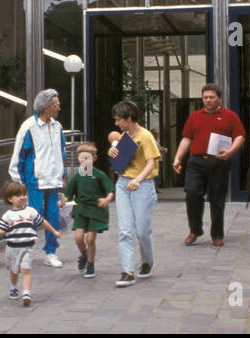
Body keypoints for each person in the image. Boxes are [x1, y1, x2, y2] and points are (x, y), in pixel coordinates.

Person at [172, 83, 245, 246]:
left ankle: (217, 233)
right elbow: (186, 138)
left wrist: (231, 151)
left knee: (217, 199)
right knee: (192, 193)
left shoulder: (230, 116)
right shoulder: (194, 116)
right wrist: (178, 158)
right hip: (196, 161)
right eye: (205, 97)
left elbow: (240, 136)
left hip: (219, 161)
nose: (208, 100)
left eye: (212, 97)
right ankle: (195, 230)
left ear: (219, 98)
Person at [9, 89, 66, 267]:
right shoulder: (29, 127)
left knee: (53, 217)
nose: (59, 108)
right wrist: (18, 181)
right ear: (45, 108)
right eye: (56, 105)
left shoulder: (58, 127)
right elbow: (18, 155)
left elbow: (61, 152)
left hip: (53, 181)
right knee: (32, 218)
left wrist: (62, 175)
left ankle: (51, 252)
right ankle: (25, 252)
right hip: (34, 181)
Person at [107, 99, 161, 287]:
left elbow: (151, 163)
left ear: (129, 118)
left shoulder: (145, 136)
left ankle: (147, 261)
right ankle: (127, 271)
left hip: (142, 185)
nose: (116, 123)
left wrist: (138, 180)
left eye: (119, 120)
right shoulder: (125, 135)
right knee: (124, 229)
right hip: (122, 183)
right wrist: (112, 152)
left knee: (143, 230)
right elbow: (117, 151)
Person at [0, 181, 61, 307]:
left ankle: (26, 293)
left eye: (24, 194)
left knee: (26, 269)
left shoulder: (31, 211)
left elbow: (43, 222)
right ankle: (14, 287)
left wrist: (53, 231)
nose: (22, 197)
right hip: (12, 248)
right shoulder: (7, 216)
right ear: (10, 199)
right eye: (18, 195)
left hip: (28, 246)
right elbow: (2, 231)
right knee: (14, 270)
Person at [60, 142, 114, 279]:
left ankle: (90, 264)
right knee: (78, 237)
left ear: (94, 158)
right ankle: (84, 254)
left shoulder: (99, 175)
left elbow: (110, 191)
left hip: (96, 210)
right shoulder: (77, 177)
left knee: (90, 239)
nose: (84, 160)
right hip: (80, 210)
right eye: (81, 157)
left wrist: (106, 200)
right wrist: (63, 201)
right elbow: (68, 193)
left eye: (87, 157)